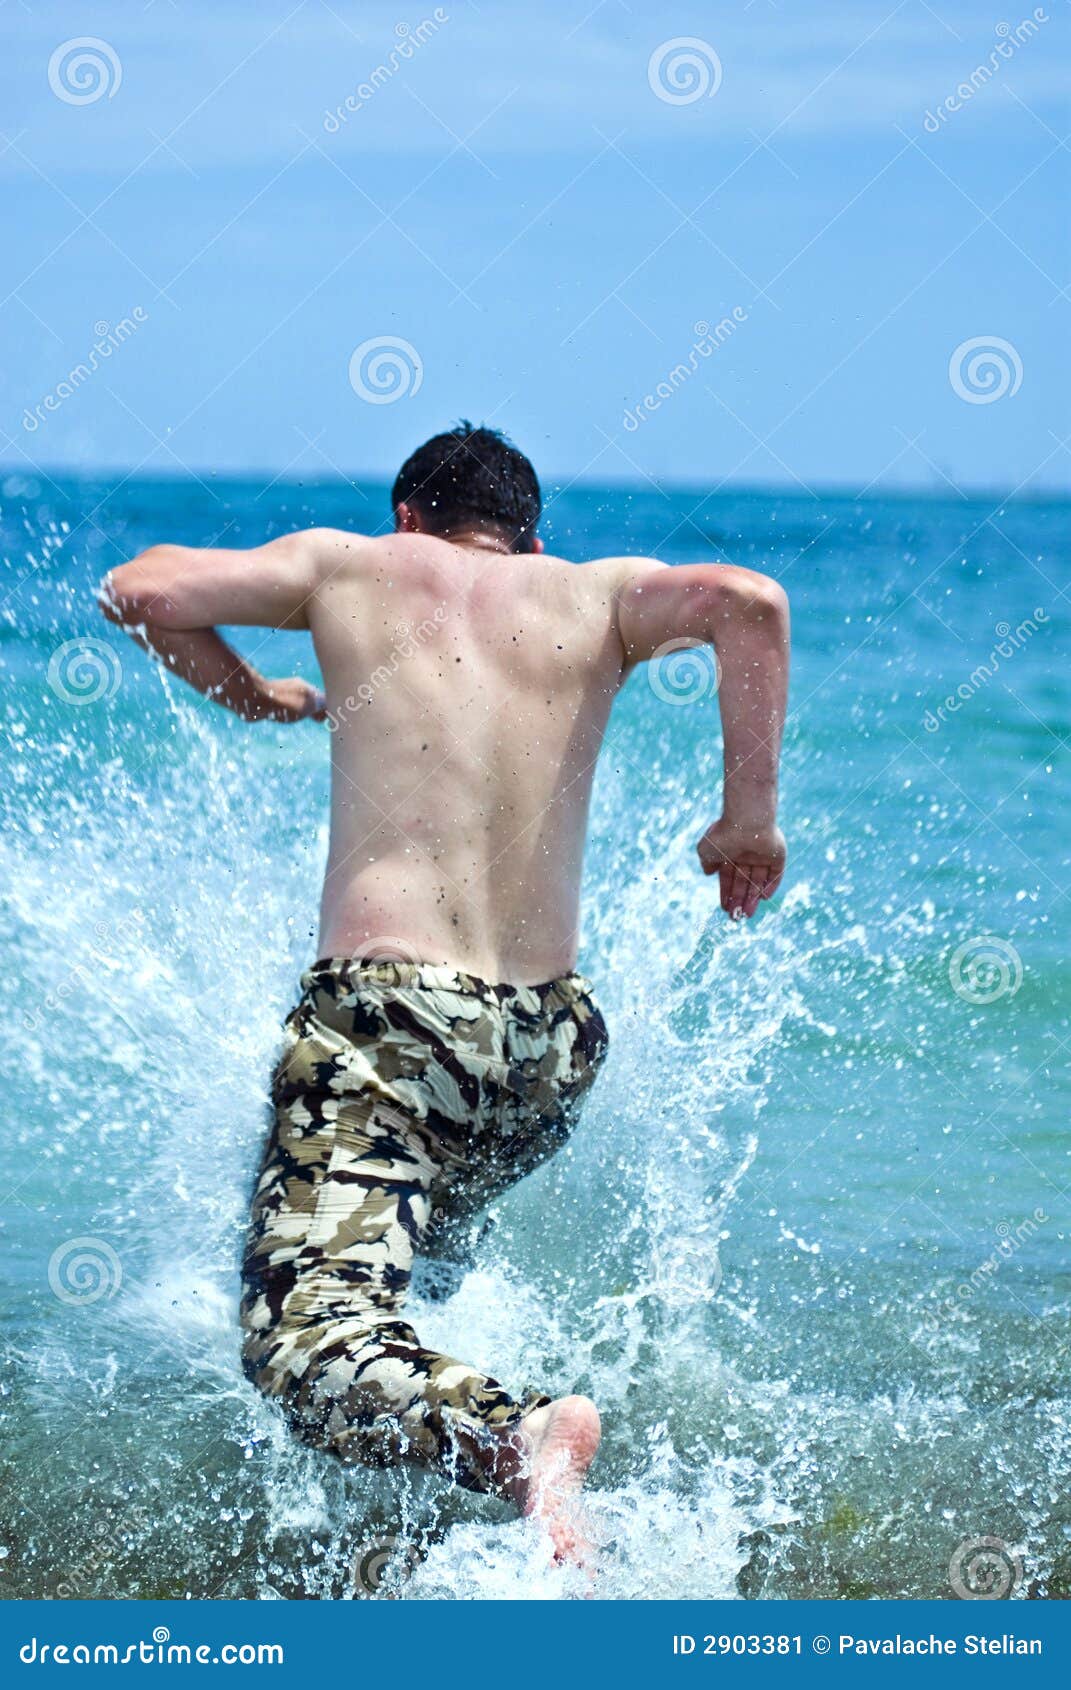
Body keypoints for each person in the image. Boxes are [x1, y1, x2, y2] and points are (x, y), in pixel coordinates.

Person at [100, 423, 789, 1565]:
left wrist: (251, 695)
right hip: (545, 1051)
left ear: (408, 520)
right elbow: (751, 604)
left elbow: (142, 589)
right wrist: (749, 817)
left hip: (387, 1026)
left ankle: (521, 1437)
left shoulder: (351, 564)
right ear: (530, 537)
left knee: (296, 1340)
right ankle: (446, 1437)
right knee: (423, 1233)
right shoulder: (596, 593)